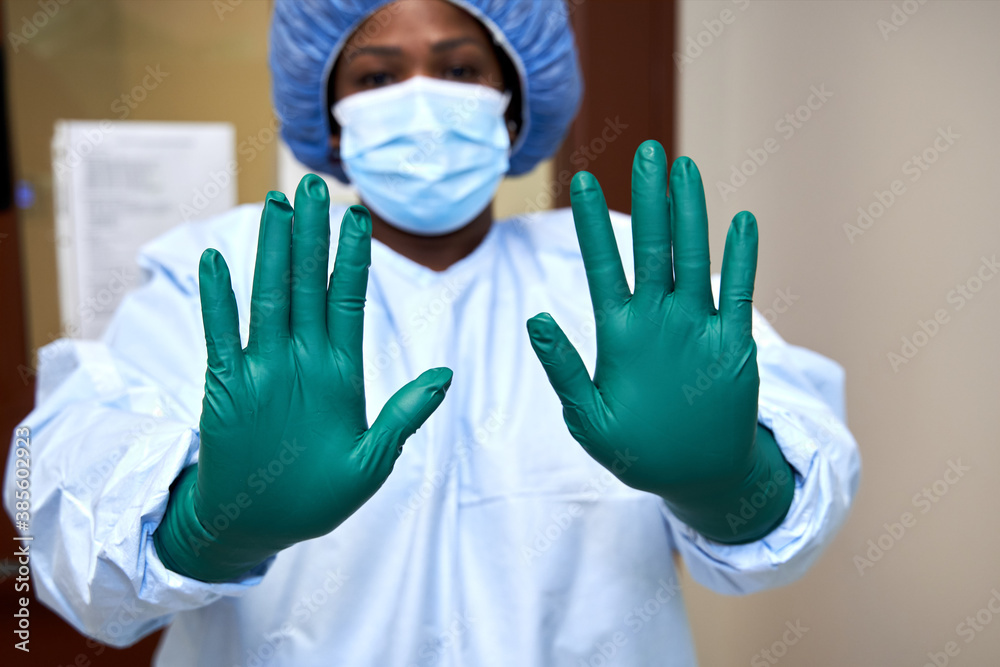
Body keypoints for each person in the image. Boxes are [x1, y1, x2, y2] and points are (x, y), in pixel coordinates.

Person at [3, 1, 860, 665]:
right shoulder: (218, 279)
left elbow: (790, 515)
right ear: (330, 118)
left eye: (459, 69)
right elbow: (71, 520)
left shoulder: (635, 290)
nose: (420, 102)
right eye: (376, 78)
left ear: (515, 108)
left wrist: (729, 478)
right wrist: (206, 525)